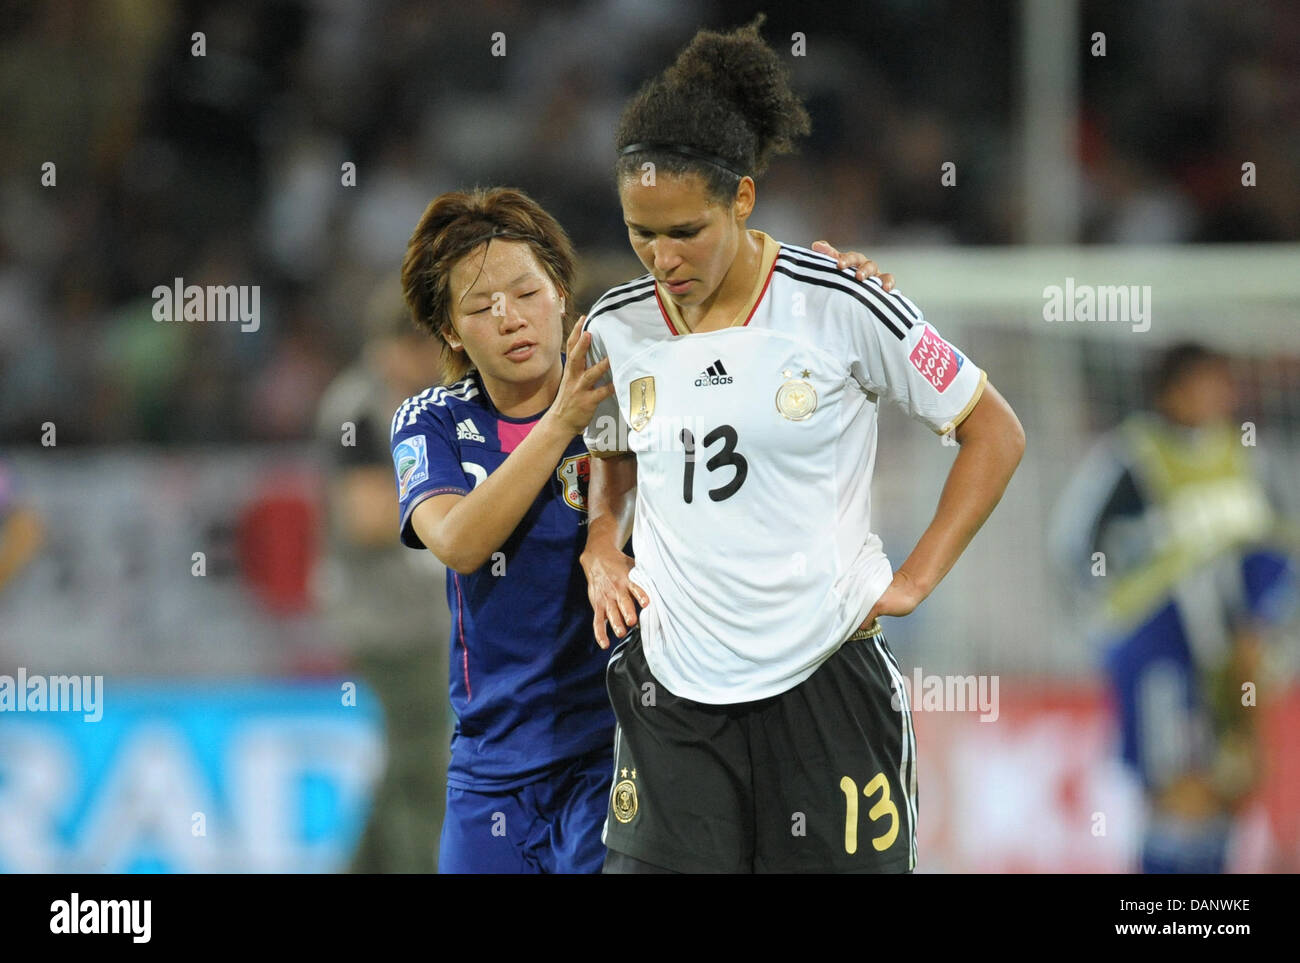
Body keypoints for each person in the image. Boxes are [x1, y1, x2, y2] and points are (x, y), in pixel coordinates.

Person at [579, 18, 1026, 874]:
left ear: (741, 200)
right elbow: (612, 447)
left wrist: (916, 576)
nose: (660, 256)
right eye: (642, 231)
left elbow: (993, 429)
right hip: (674, 690)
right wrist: (604, 537)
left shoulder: (844, 301)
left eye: (685, 230)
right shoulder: (612, 327)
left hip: (825, 681)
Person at [392, 185, 889, 873]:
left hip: (623, 745)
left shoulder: (640, 386)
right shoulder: (433, 421)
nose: (512, 319)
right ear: (450, 331)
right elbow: (461, 542)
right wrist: (561, 423)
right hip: (491, 764)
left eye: (528, 293)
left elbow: (743, 324)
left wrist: (832, 292)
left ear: (563, 293)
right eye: (481, 307)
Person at [1050, 342, 1296, 873]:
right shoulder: (1131, 458)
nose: (1215, 397)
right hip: (1155, 649)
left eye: (1221, 383)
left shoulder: (1247, 454)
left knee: (1229, 777)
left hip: (1230, 656)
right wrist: (1111, 625)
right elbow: (1075, 546)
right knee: (1170, 783)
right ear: (1168, 393)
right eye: (1201, 384)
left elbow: (1277, 553)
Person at [315, 279, 453, 872]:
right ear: (397, 344)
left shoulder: (419, 404)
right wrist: (451, 498)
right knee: (424, 763)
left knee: (407, 755)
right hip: (385, 619)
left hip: (421, 614)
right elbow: (367, 515)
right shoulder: (358, 408)